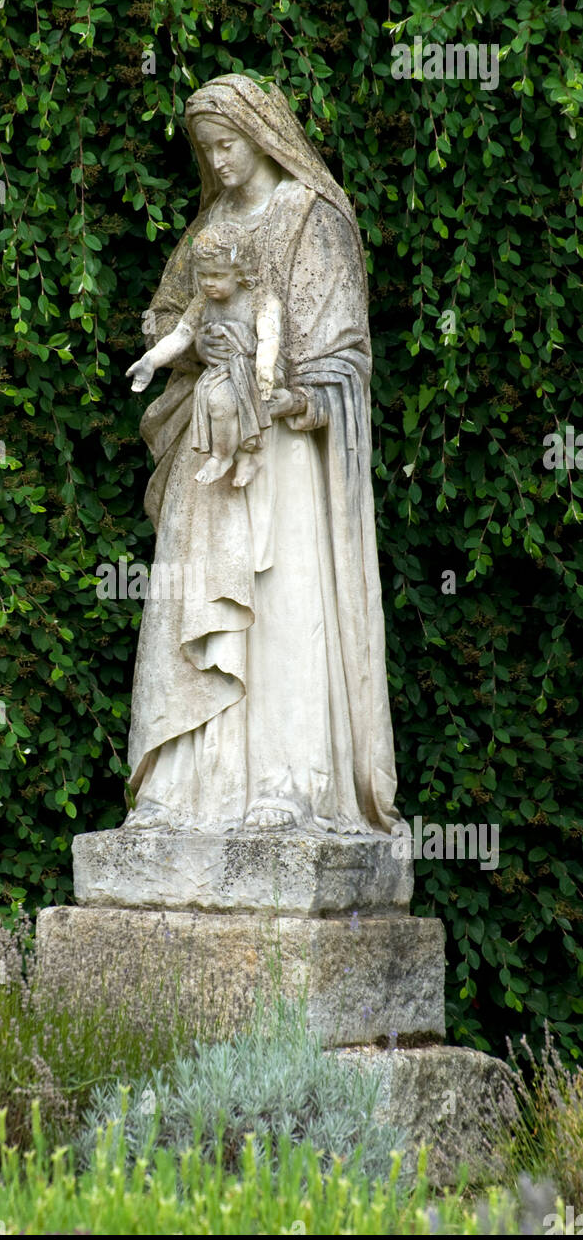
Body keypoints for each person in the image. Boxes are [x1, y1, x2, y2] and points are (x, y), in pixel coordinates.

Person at [123, 73, 404, 839]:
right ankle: (180, 793)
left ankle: (288, 784)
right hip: (210, 445)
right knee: (194, 603)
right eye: (207, 150)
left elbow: (345, 355)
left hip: (284, 451)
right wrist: (183, 346)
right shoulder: (211, 222)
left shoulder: (313, 219)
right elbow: (165, 313)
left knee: (282, 608)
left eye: (227, 145)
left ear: (261, 134)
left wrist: (296, 397)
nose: (217, 163)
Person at [127, 222, 282, 489]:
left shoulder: (261, 299)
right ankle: (233, 456)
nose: (209, 283)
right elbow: (180, 335)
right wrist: (151, 360)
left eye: (218, 275)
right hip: (222, 371)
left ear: (241, 273)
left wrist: (265, 365)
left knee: (222, 401)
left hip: (255, 370)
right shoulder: (203, 300)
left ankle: (232, 456)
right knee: (218, 400)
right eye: (203, 275)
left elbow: (270, 335)